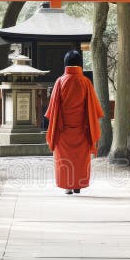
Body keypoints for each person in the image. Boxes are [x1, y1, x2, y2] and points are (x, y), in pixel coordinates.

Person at [44, 50, 104, 195]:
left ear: (65, 64)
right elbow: (93, 108)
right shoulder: (86, 82)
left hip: (63, 129)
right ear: (80, 64)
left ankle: (68, 186)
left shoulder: (60, 81)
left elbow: (53, 108)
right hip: (82, 129)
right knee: (80, 159)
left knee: (64, 158)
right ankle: (78, 185)